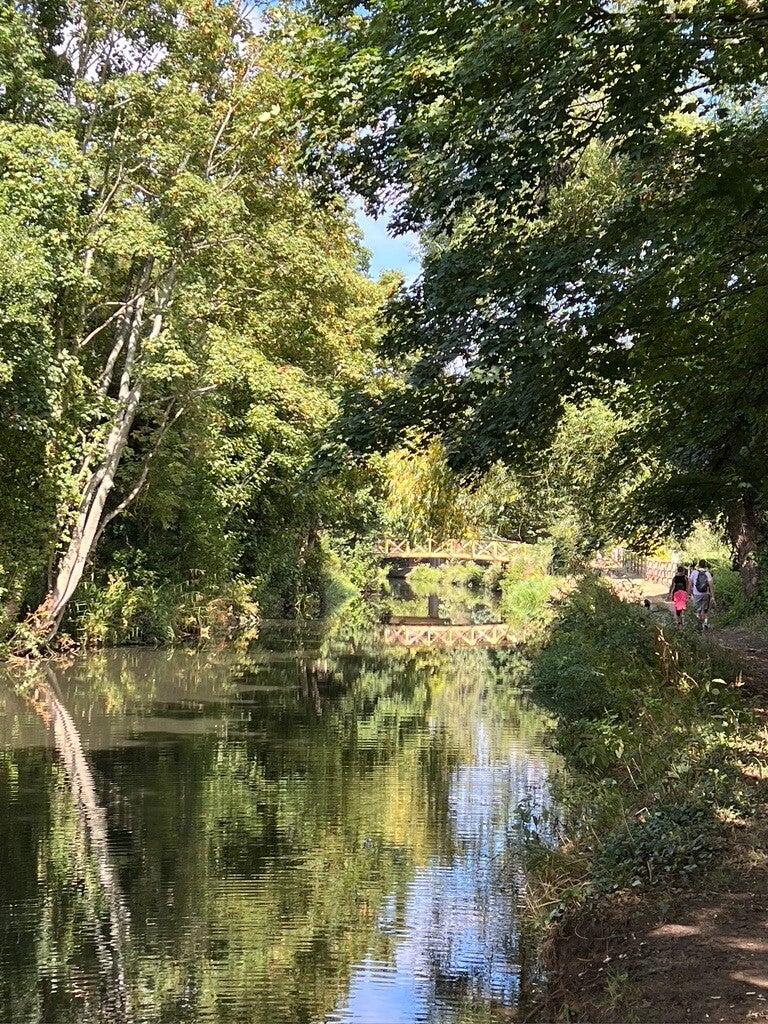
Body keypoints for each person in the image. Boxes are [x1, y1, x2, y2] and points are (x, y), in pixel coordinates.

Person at [689, 559, 716, 630]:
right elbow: (711, 585)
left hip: (696, 594)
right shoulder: (707, 573)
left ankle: (699, 623)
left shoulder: (694, 573)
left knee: (697, 609)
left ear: (699, 564)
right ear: (705, 565)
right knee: (705, 610)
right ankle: (705, 623)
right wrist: (712, 596)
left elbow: (690, 583)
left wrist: (689, 593)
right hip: (706, 593)